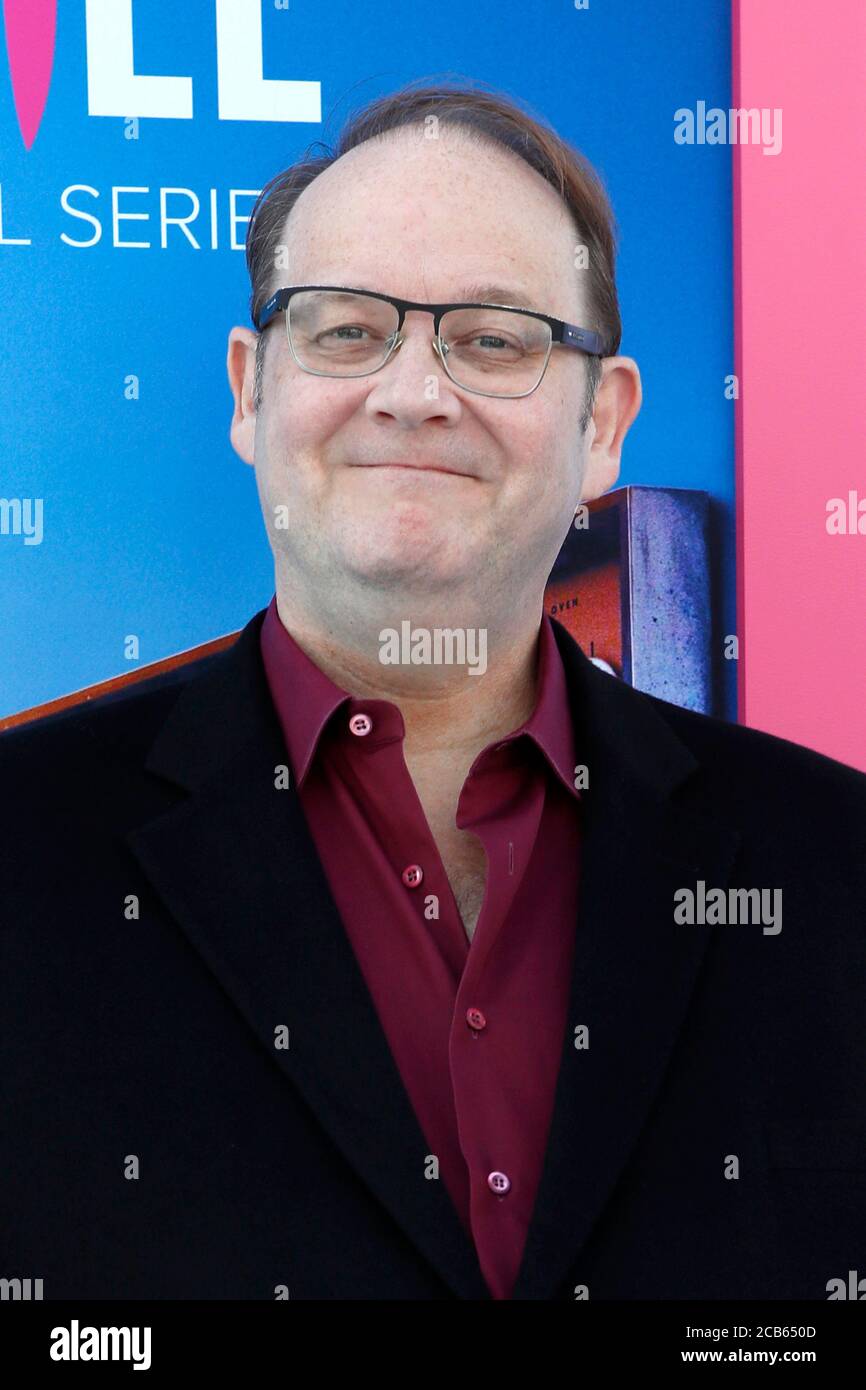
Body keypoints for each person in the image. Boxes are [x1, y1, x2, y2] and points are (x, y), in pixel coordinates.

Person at [2, 81, 865, 1302]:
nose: (413, 393)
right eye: (346, 329)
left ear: (603, 421)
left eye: (495, 338)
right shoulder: (22, 846)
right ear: (252, 392)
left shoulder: (831, 865)